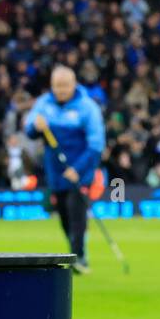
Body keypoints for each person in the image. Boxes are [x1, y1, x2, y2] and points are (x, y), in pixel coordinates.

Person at [23, 65, 105, 273]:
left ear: (73, 83)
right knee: (63, 213)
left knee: (76, 209)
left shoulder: (87, 107)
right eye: (57, 85)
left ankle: (79, 257)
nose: (60, 89)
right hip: (55, 169)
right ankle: (75, 248)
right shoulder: (43, 104)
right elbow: (29, 130)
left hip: (80, 169)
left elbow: (96, 145)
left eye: (64, 85)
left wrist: (78, 169)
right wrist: (35, 127)